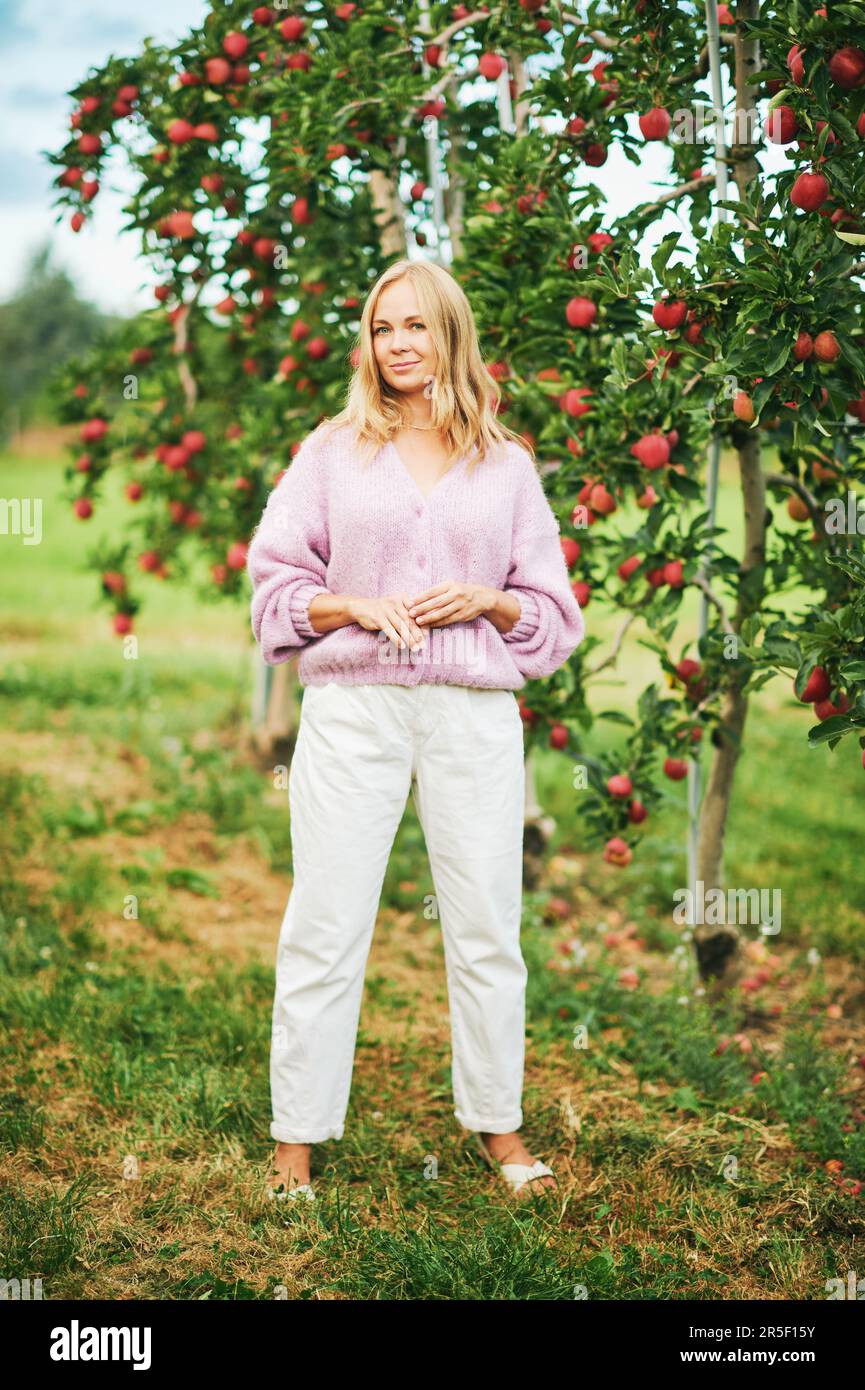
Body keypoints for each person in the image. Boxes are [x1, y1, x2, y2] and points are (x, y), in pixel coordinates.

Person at [246, 257, 585, 1202]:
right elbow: (274, 588)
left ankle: (500, 1129)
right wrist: (348, 605)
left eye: (417, 327)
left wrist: (490, 600)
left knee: (486, 927)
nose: (398, 344)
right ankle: (294, 1144)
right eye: (383, 327)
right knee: (326, 920)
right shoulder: (330, 451)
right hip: (353, 711)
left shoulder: (505, 464)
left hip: (471, 714)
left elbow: (551, 618)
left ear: (451, 336)